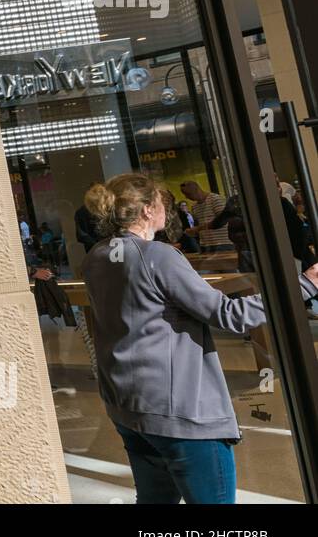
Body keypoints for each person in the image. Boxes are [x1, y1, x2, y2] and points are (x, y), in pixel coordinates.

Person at [82, 173, 307, 503]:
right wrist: (305, 285)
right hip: (181, 413)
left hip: (129, 408)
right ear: (147, 210)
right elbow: (229, 315)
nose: (166, 209)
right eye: (162, 202)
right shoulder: (158, 255)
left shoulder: (97, 257)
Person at [180, 181, 232, 252]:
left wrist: (197, 229)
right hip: (205, 245)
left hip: (222, 243)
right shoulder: (194, 206)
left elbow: (222, 221)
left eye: (188, 194)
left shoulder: (215, 199)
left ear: (196, 189)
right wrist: (193, 231)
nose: (186, 197)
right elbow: (198, 224)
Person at [76, 184, 105, 253]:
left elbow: (81, 236)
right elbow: (81, 235)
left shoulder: (107, 208)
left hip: (98, 249)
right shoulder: (81, 212)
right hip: (96, 250)